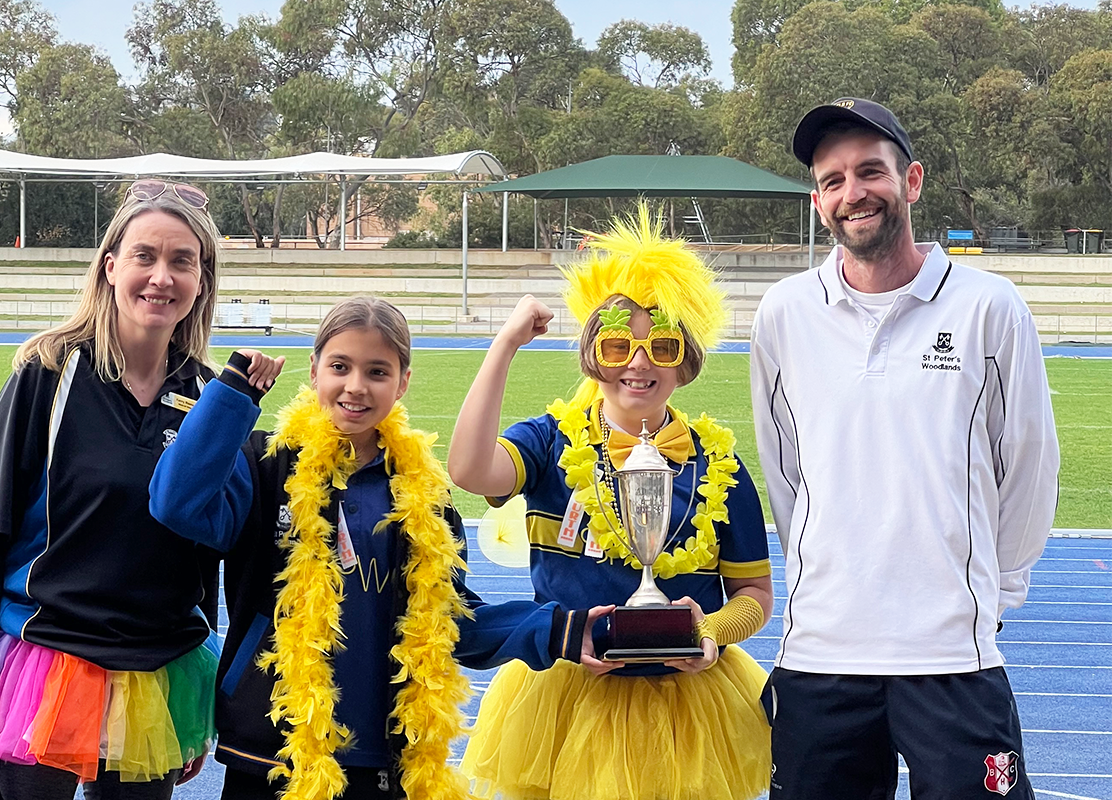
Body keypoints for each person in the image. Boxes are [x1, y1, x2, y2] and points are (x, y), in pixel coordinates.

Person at [149, 296, 586, 800]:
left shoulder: (423, 496)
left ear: (402, 383)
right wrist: (232, 397)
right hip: (274, 754)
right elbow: (176, 504)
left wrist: (562, 629)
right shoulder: (265, 464)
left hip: (386, 757)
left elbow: (452, 622)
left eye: (377, 371)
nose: (355, 386)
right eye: (340, 366)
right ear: (314, 371)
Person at [750, 97, 1060, 799]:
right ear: (818, 201)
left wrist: (990, 591)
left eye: (870, 172)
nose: (852, 193)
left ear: (911, 181)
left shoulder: (989, 306)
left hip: (951, 652)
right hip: (821, 652)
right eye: (833, 180)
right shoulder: (784, 315)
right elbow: (786, 475)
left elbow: (1031, 465)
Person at [0, 180, 226, 798]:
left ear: (200, 281)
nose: (161, 276)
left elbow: (203, 551)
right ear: (110, 267)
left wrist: (195, 704)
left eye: (181, 261)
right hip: (43, 662)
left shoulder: (210, 398)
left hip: (156, 675)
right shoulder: (47, 375)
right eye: (144, 256)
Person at [449, 206, 775, 800]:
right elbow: (469, 469)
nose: (639, 361)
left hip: (689, 714)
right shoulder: (551, 442)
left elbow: (753, 596)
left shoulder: (721, 468)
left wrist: (713, 632)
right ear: (594, 353)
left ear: (688, 361)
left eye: (663, 346)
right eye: (619, 344)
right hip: (565, 701)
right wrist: (505, 345)